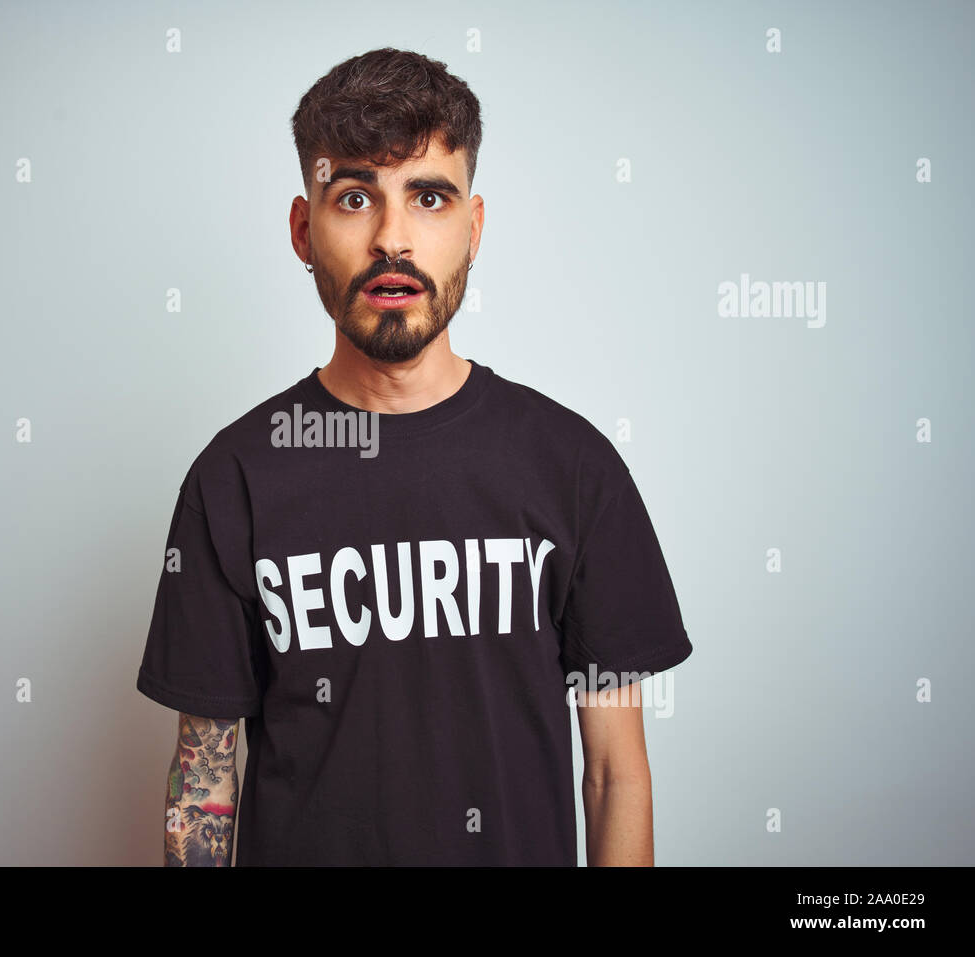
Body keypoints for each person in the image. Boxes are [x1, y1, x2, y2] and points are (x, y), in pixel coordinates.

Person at [136, 47, 693, 866]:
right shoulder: (233, 481)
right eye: (354, 197)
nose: (391, 239)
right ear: (303, 230)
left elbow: (615, 777)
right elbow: (203, 790)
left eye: (428, 197)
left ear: (473, 228)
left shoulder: (576, 469)